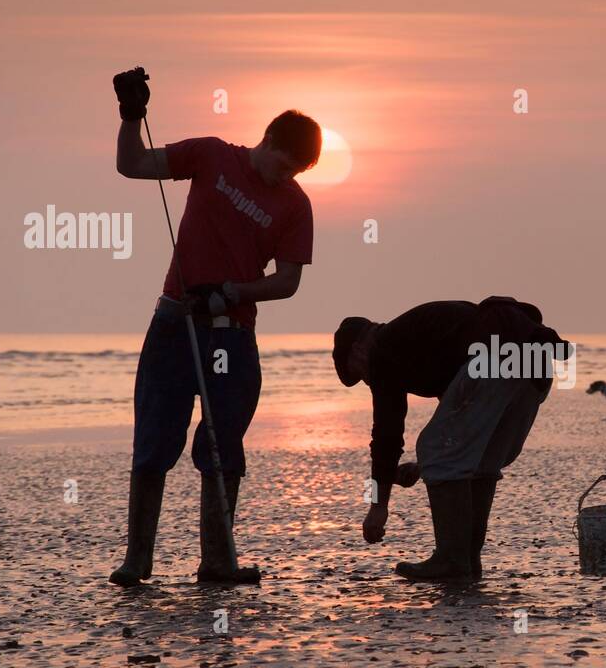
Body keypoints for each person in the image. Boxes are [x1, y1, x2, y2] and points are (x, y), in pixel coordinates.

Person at [107, 67, 322, 587]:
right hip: (173, 325)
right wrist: (131, 117)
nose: (283, 178)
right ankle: (137, 561)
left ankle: (218, 561)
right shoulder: (210, 154)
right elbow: (132, 165)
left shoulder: (295, 205)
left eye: (296, 173)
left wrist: (234, 290)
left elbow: (288, 281)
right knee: (154, 440)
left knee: (223, 446)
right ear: (267, 139)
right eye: (282, 166)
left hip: (231, 334)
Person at [333, 297, 571, 582]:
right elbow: (463, 431)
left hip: (494, 357)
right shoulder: (419, 340)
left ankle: (452, 560)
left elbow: (387, 434)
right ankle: (468, 560)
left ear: (359, 349)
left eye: (357, 374)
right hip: (532, 363)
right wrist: (424, 466)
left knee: (433, 447)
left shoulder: (383, 347)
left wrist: (378, 507)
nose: (367, 382)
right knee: (480, 460)